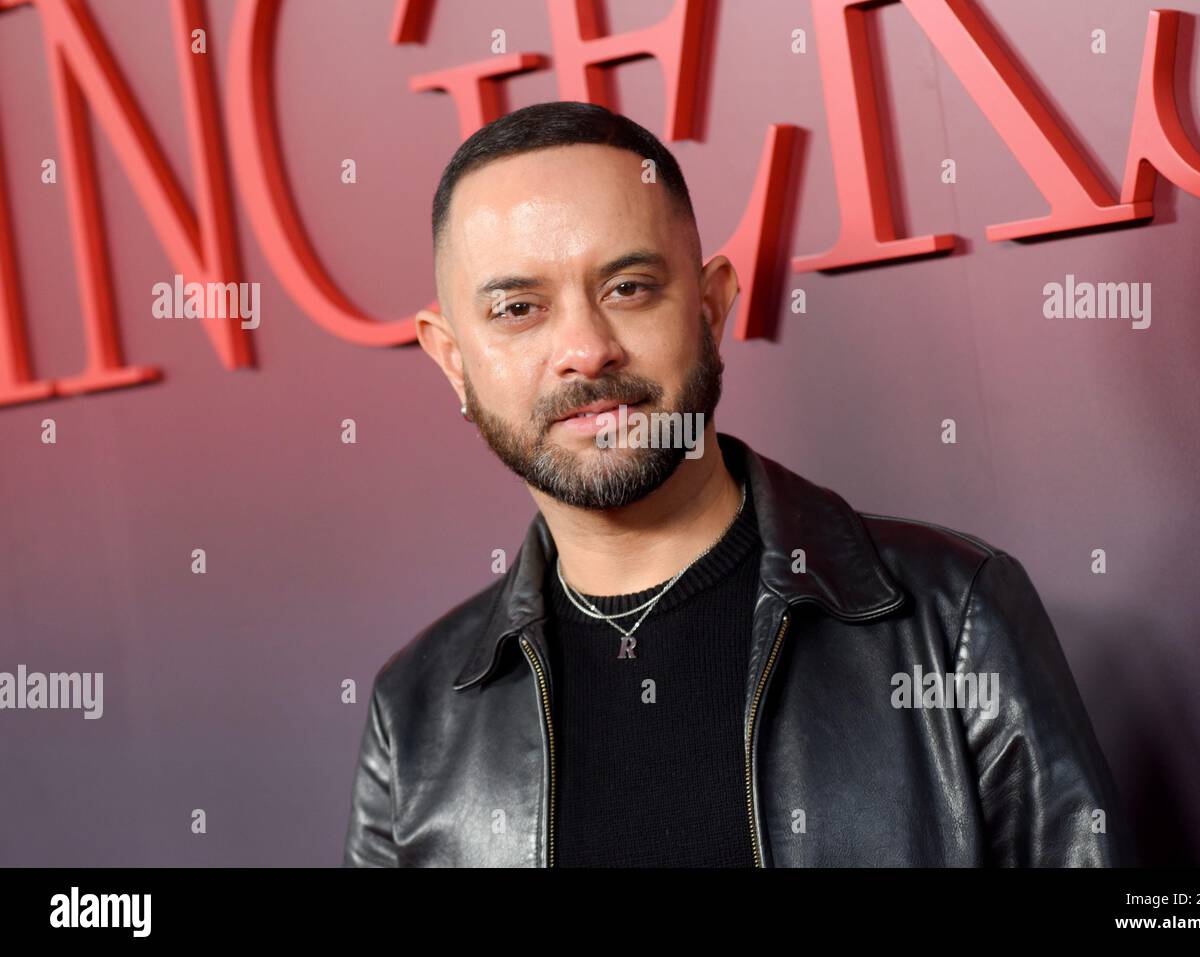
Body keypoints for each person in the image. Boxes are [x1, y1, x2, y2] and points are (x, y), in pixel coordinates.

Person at [343, 100, 1131, 867]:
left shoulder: (953, 616)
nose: (585, 349)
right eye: (518, 307)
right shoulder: (414, 711)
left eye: (628, 287)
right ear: (453, 359)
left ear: (711, 306)